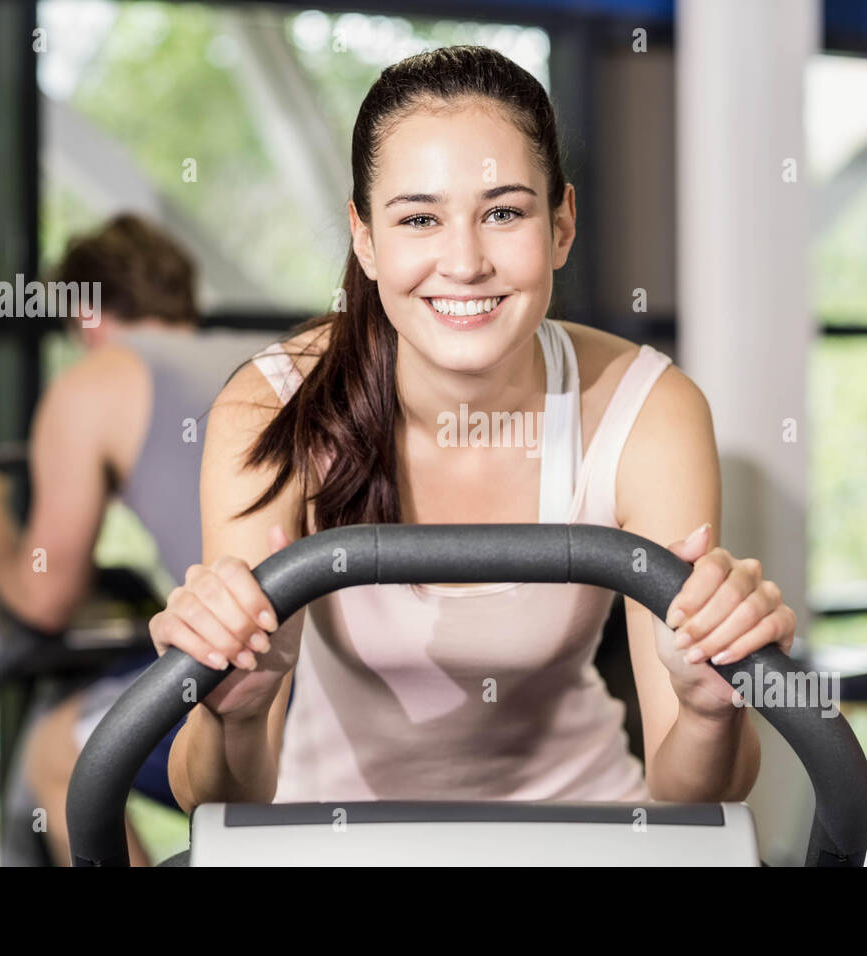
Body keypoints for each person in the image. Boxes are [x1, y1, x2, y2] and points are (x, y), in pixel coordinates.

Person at [149, 45, 798, 815]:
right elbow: (217, 796)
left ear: (561, 225)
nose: (463, 262)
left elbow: (692, 799)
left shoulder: (648, 409)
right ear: (365, 238)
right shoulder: (275, 407)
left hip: (582, 834)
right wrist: (235, 708)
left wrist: (706, 709)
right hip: (333, 839)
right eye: (419, 218)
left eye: (504, 212)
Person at [0, 214, 274, 864]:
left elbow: (45, 598)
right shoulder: (271, 354)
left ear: (84, 310)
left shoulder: (97, 381)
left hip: (271, 692)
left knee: (55, 752)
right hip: (354, 671)